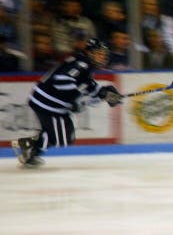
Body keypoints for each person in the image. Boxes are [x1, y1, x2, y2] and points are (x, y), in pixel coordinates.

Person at [11, 38, 123, 167]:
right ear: (89, 52)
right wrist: (75, 99)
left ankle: (30, 148)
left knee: (65, 137)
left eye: (104, 55)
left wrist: (104, 93)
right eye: (99, 54)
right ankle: (30, 148)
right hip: (48, 104)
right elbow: (62, 79)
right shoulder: (82, 64)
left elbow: (87, 85)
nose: (102, 58)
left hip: (49, 103)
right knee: (61, 137)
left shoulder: (83, 64)